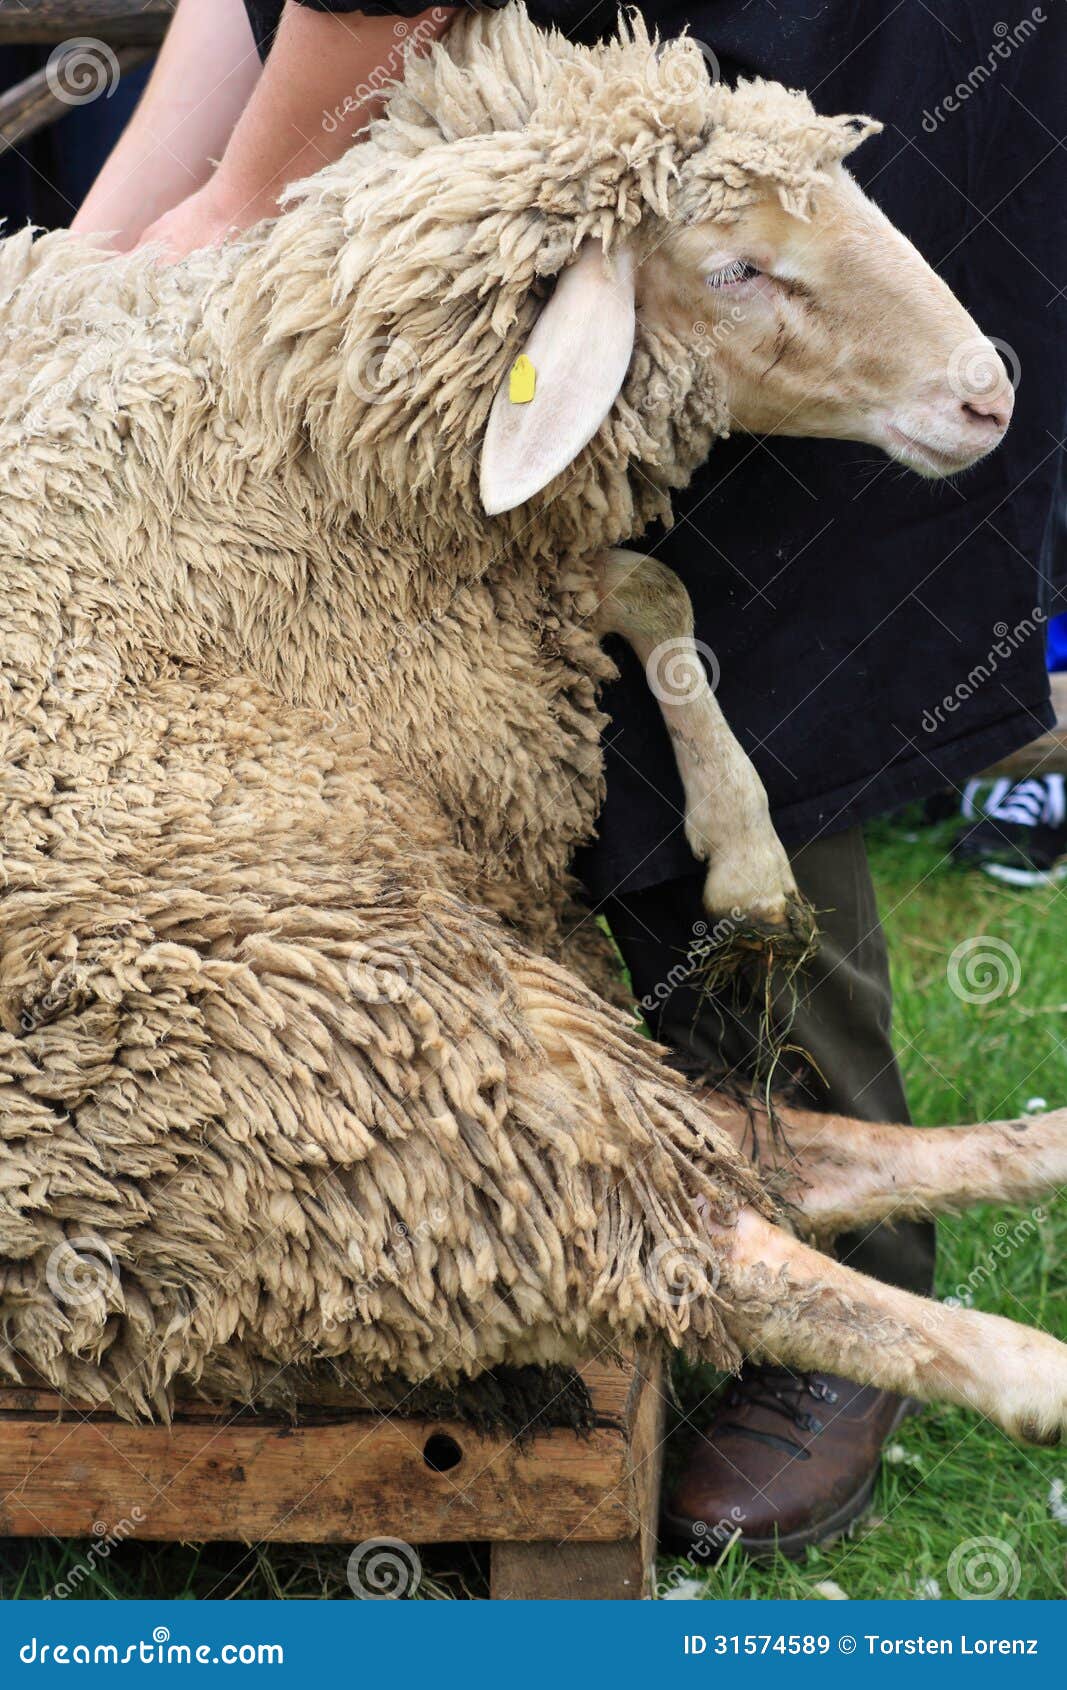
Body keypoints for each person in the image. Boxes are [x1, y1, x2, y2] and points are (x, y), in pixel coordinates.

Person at [71, 0, 1067, 1558]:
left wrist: (235, 201)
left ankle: (818, 1253)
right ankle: (519, 1177)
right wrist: (92, 265)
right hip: (514, 146)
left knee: (760, 617)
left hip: (755, 111)